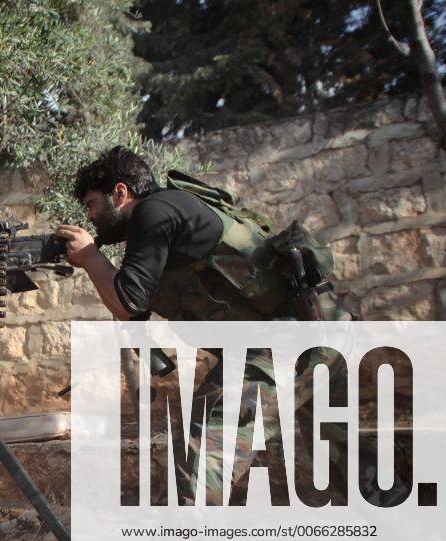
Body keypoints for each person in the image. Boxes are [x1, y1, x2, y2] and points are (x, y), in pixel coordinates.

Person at [55, 146, 355, 507]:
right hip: (325, 329)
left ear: (120, 193)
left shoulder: (154, 210)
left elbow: (127, 300)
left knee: (207, 439)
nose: (91, 218)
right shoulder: (169, 216)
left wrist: (89, 256)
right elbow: (133, 308)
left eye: (91, 204)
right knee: (354, 459)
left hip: (290, 336)